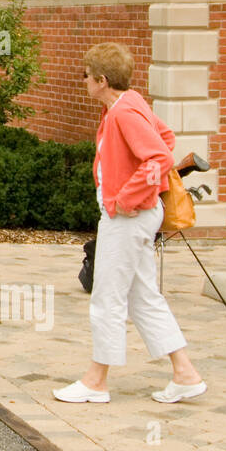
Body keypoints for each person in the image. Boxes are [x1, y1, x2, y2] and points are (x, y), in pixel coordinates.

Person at [53, 42, 205, 405]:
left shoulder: (122, 113)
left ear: (102, 80)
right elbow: (164, 138)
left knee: (107, 297)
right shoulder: (129, 103)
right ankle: (184, 373)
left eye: (86, 76)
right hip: (135, 215)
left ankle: (96, 381)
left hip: (128, 217)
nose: (84, 81)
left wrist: (124, 198)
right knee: (143, 297)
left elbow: (158, 156)